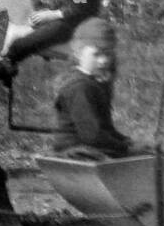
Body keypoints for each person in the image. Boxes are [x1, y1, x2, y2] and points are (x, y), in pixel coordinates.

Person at [51, 18, 134, 160]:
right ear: (78, 52)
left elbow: (106, 130)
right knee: (151, 160)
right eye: (96, 54)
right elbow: (93, 136)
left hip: (88, 147)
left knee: (148, 153)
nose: (103, 60)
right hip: (77, 152)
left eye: (107, 54)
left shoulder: (93, 83)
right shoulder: (80, 87)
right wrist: (126, 147)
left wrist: (128, 142)